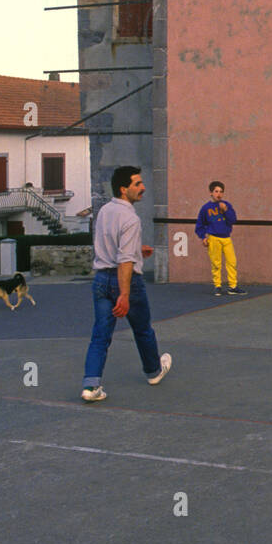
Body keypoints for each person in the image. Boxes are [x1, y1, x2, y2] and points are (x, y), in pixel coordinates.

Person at [81, 166, 170, 402]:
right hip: (126, 280)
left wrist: (138, 250)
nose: (143, 188)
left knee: (100, 336)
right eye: (137, 184)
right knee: (142, 329)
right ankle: (153, 371)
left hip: (100, 279)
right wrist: (124, 294)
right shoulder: (131, 218)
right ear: (123, 189)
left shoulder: (105, 211)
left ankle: (90, 386)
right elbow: (125, 259)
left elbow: (113, 244)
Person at [195, 180, 246, 296]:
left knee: (232, 262)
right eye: (216, 191)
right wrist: (203, 237)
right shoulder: (205, 208)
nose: (219, 194)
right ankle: (217, 286)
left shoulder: (227, 205)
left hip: (226, 237)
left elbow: (233, 220)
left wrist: (226, 210)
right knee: (216, 263)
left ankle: (232, 286)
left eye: (221, 192)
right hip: (213, 238)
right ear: (211, 193)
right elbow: (200, 224)